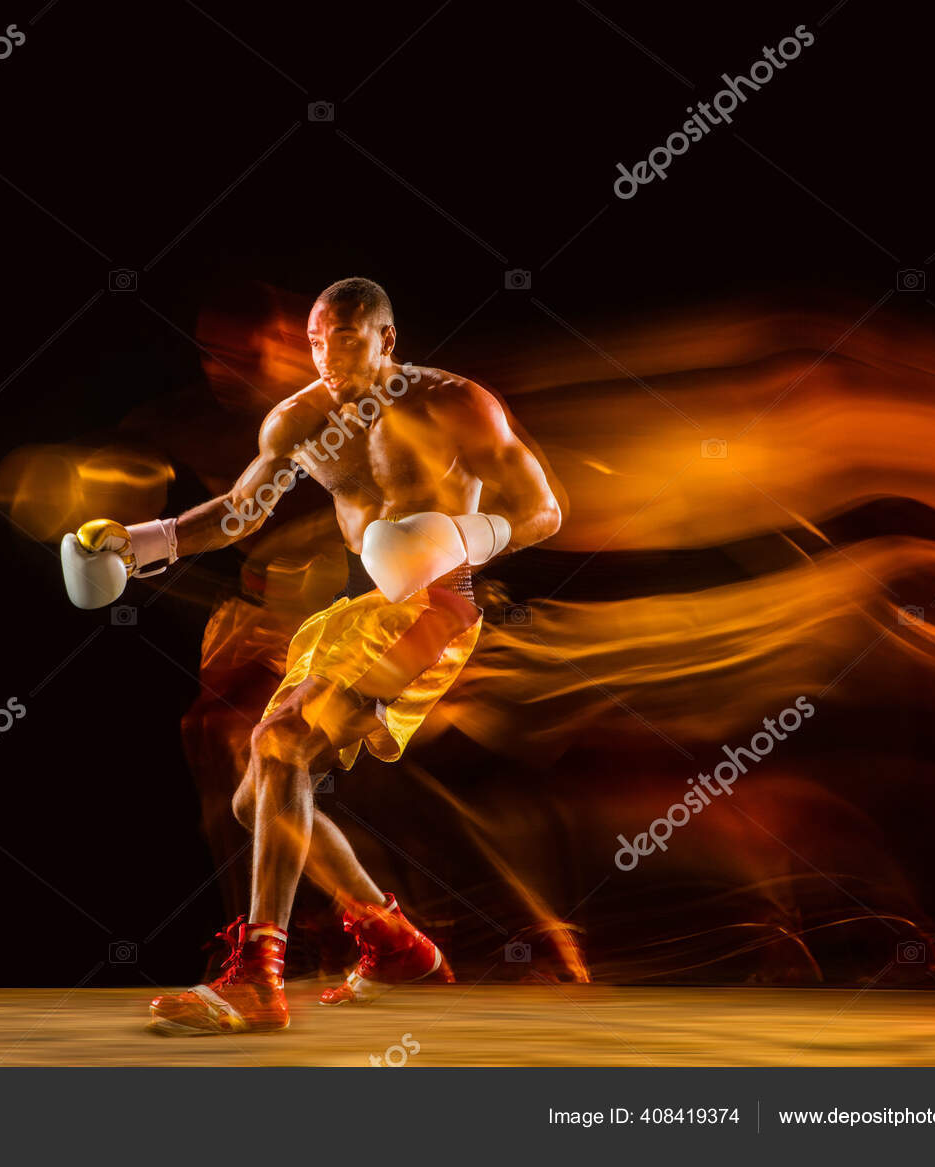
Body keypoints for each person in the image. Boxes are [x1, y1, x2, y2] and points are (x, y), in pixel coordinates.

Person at [61, 277, 563, 1035]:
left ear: (388, 340)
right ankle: (397, 944)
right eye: (320, 340)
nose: (330, 357)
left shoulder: (456, 403)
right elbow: (237, 512)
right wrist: (141, 544)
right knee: (256, 796)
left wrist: (469, 536)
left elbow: (545, 509)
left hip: (439, 605)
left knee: (282, 742)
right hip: (362, 613)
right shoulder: (300, 418)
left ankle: (260, 976)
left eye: (349, 340)